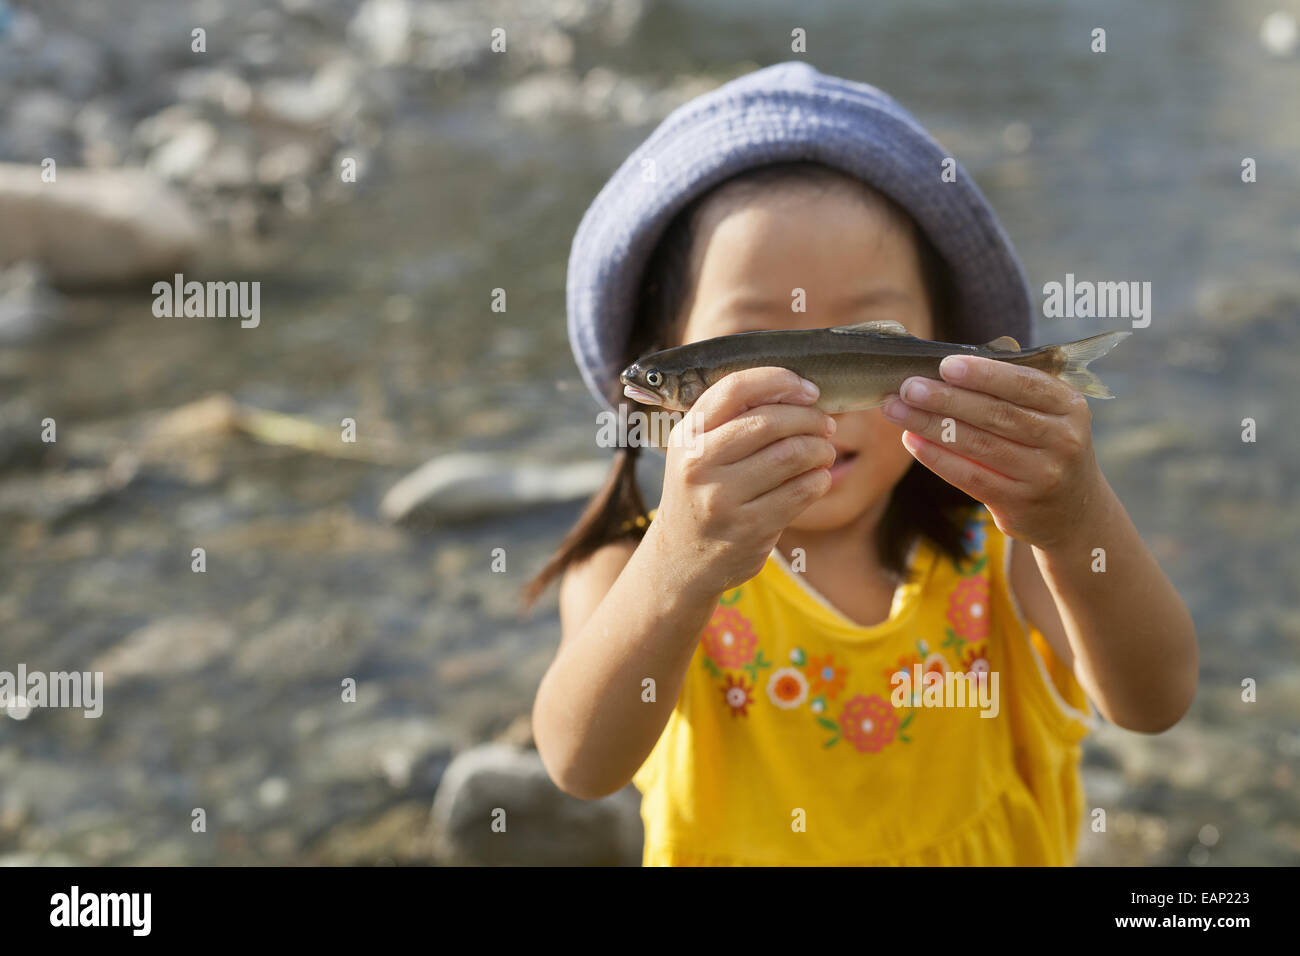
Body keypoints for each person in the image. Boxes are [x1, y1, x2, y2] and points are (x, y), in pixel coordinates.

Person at [525, 62, 1197, 865]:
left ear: (934, 339)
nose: (810, 399)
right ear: (667, 365)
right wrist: (677, 562)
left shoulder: (1003, 554)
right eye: (761, 345)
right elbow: (578, 765)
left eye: (859, 333)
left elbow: (1155, 702)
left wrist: (1075, 516)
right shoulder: (629, 568)